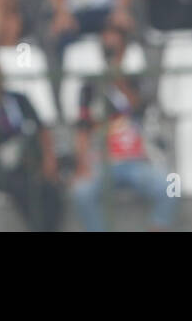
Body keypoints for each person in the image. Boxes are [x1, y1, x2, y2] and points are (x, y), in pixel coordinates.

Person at [71, 23, 176, 232]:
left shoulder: (136, 81)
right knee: (81, 192)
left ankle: (158, 226)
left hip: (135, 160)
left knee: (171, 187)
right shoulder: (90, 86)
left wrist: (118, 79)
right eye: (107, 46)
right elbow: (82, 128)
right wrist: (82, 163)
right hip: (102, 161)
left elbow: (140, 108)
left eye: (115, 47)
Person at [0, 50, 63, 231]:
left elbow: (42, 130)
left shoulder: (19, 98)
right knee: (26, 188)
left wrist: (49, 159)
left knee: (52, 187)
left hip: (30, 162)